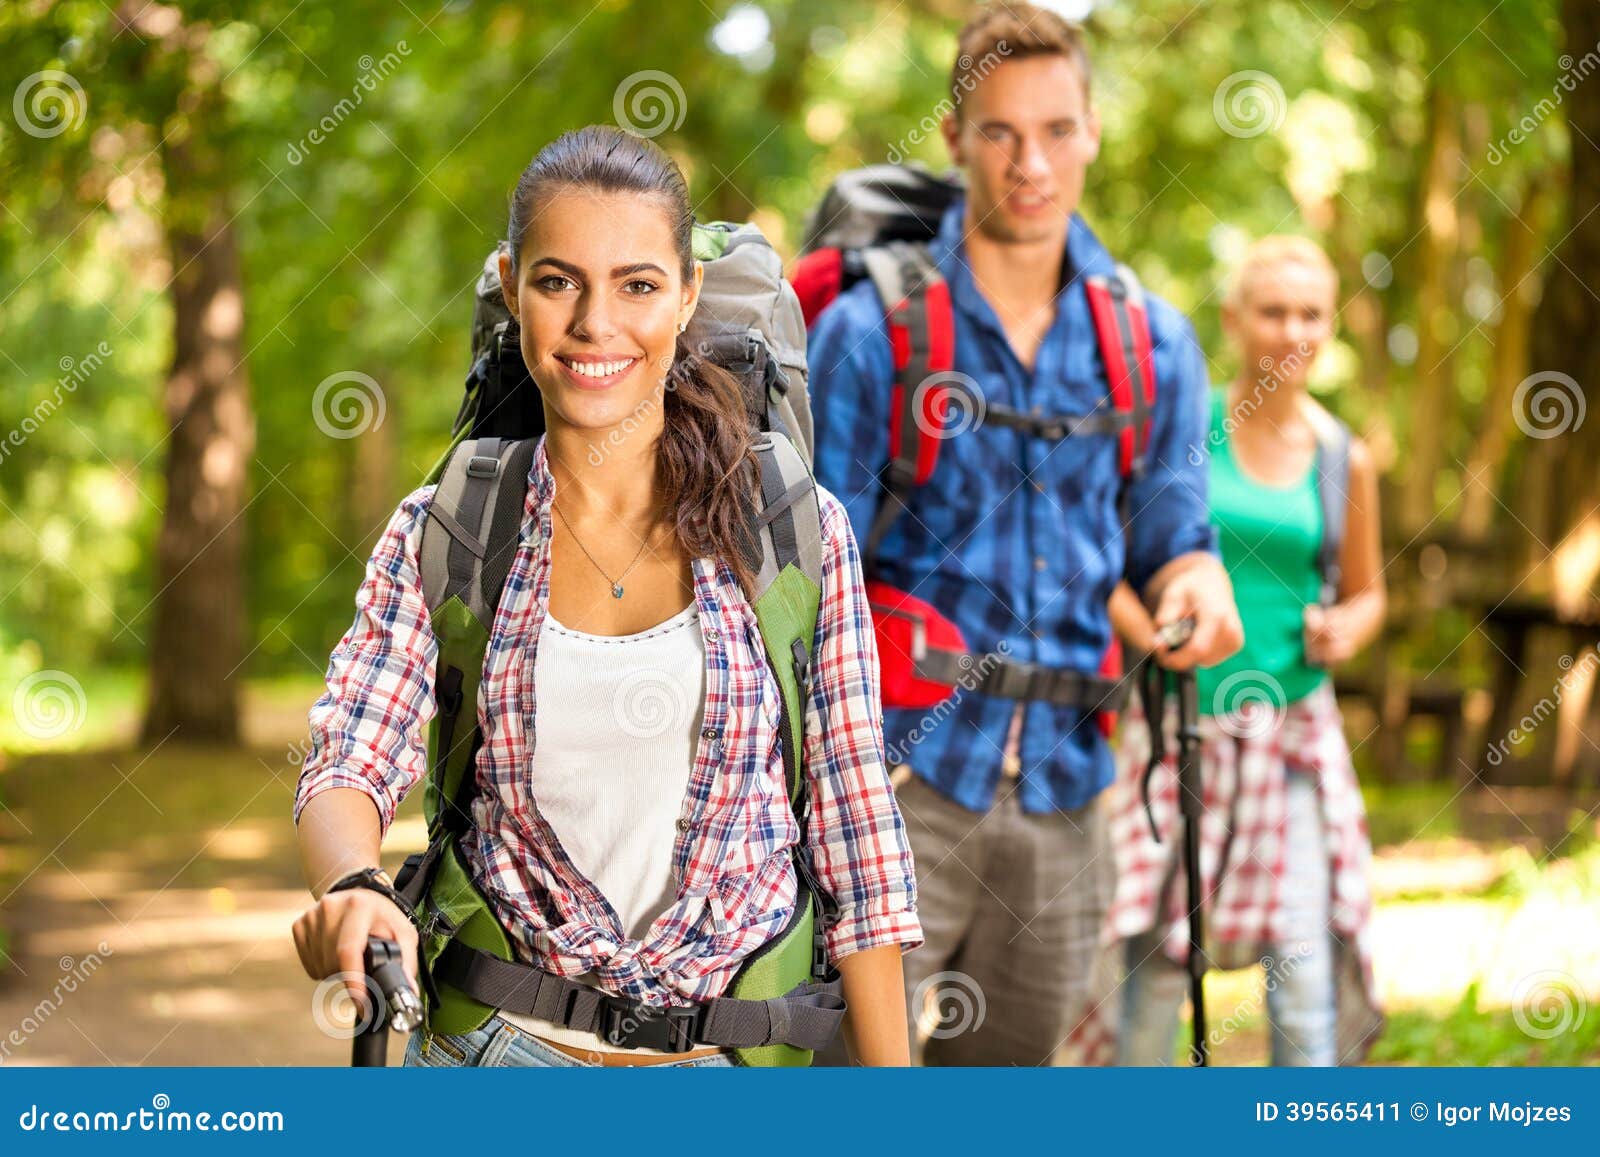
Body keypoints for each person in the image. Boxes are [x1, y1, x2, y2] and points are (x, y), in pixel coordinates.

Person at [290, 125, 922, 1068]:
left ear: (686, 297)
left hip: (737, 1065)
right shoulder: (452, 526)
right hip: (493, 1055)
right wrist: (351, 879)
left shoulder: (792, 527)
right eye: (557, 282)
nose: (596, 323)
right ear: (512, 288)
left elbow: (855, 836)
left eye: (636, 284)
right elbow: (352, 748)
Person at [806, 4, 1241, 1066]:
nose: (1029, 162)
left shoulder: (1152, 344)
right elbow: (810, 583)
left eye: (1055, 129)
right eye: (998, 131)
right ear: (955, 138)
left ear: (1092, 127)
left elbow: (1170, 533)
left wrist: (1197, 581)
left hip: (1068, 792)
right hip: (894, 787)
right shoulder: (871, 333)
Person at [1103, 234, 1387, 1066]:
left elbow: (1371, 592)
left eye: (1309, 313)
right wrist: (1148, 633)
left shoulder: (1343, 457)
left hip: (1292, 734)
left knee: (1300, 966)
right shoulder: (1184, 434)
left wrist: (1349, 627)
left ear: (1330, 325)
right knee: (1156, 962)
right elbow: (1109, 565)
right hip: (1180, 728)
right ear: (1234, 321)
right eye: (1271, 311)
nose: (1290, 330)